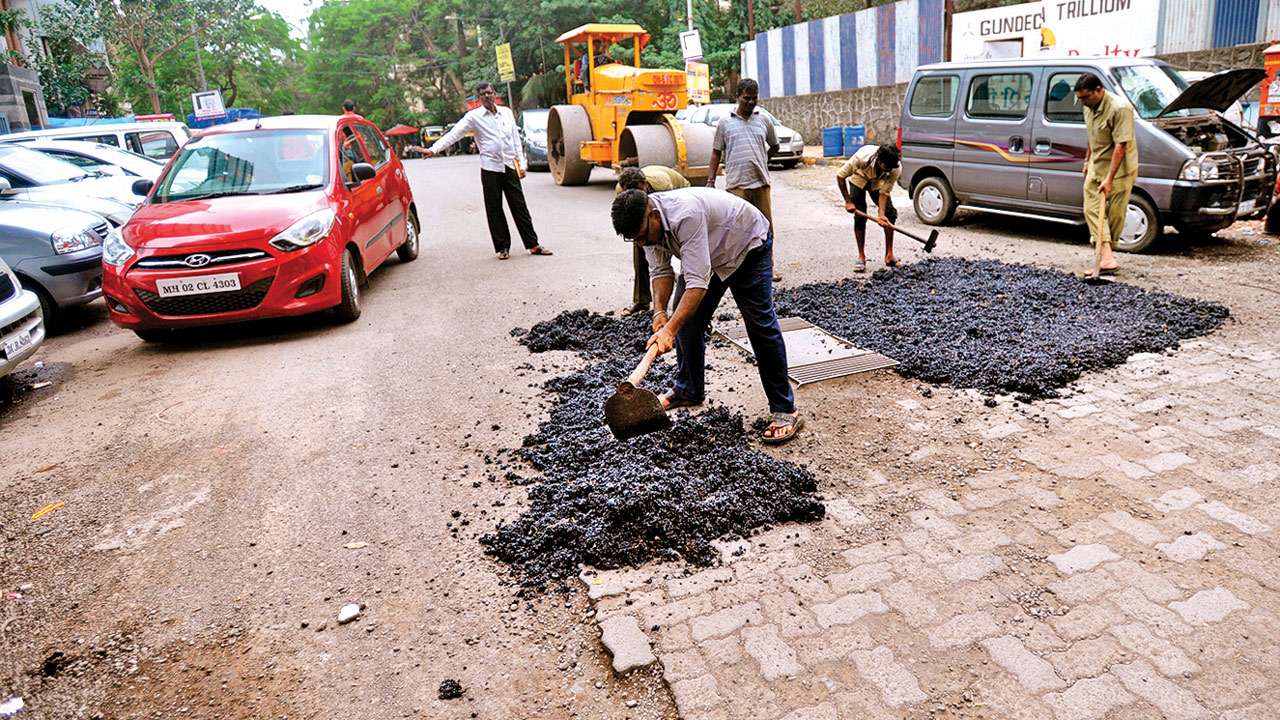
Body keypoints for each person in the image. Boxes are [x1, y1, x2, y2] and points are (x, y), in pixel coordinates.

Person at [610, 187, 802, 444]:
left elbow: (697, 285)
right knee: (687, 322)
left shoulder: (685, 215)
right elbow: (660, 273)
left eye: (643, 236)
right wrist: (659, 314)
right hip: (709, 253)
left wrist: (669, 331)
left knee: (760, 325)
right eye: (636, 240)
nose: (642, 243)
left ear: (653, 215)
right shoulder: (646, 231)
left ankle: (785, 409)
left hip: (746, 244)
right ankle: (688, 389)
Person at [409, 83, 552, 260]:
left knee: (520, 207)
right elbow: (454, 134)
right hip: (490, 168)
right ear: (479, 98)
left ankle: (533, 244)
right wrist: (433, 149)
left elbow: (515, 139)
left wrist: (522, 164)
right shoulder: (473, 117)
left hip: (509, 166)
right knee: (494, 209)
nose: (487, 96)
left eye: (489, 93)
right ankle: (502, 248)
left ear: (494, 94)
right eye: (483, 94)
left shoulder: (506, 113)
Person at [706, 78, 780, 280]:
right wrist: (711, 181)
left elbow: (774, 146)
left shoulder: (763, 120)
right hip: (736, 186)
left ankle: (768, 268)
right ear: (737, 96)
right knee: (738, 231)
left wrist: (763, 160)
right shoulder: (725, 123)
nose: (750, 102)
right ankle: (739, 269)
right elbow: (716, 153)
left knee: (765, 229)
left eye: (754, 98)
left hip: (761, 184)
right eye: (746, 98)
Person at [1076, 73, 1136, 275]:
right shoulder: (1088, 108)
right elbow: (1092, 136)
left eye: (1085, 97)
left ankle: (1107, 254)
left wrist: (1109, 179)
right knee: (1091, 208)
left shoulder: (1120, 109)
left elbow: (1121, 145)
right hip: (1096, 165)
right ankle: (1107, 256)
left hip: (1120, 169)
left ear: (1099, 90)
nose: (1082, 102)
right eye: (1080, 98)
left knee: (1115, 214)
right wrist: (1087, 160)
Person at [615, 166, 689, 314]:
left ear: (645, 183)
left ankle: (688, 291)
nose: (633, 194)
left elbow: (671, 210)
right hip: (647, 213)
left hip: (678, 199)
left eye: (637, 191)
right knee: (640, 246)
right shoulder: (620, 191)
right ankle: (641, 301)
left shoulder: (661, 184)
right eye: (629, 192)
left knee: (683, 247)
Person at [835, 144, 901, 272]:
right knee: (860, 216)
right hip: (858, 178)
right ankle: (861, 256)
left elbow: (884, 192)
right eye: (886, 167)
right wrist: (848, 201)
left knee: (890, 214)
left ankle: (889, 255)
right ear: (878, 160)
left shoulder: (895, 168)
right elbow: (840, 176)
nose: (888, 170)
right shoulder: (861, 158)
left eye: (890, 168)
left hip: (877, 182)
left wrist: (881, 214)